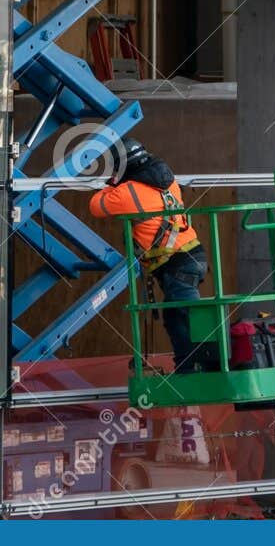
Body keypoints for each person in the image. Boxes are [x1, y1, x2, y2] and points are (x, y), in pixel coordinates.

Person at [88, 139, 209, 372]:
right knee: (178, 316)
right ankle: (192, 365)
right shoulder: (169, 180)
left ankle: (195, 367)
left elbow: (96, 206)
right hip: (192, 254)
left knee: (185, 316)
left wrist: (112, 184)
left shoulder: (127, 192)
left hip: (176, 262)